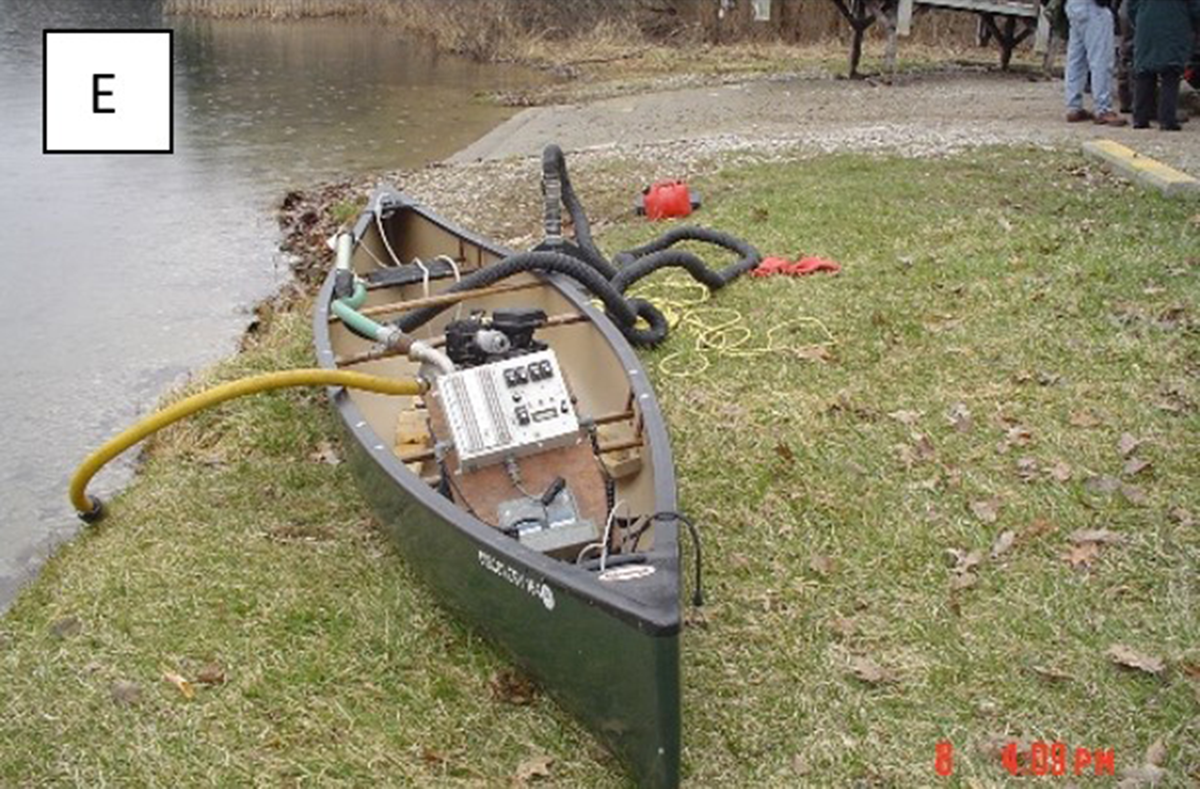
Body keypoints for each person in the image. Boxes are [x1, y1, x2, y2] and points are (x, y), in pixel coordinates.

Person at [1127, 0, 1200, 129]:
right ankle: (1167, 119)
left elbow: (1131, 7)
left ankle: (1140, 117)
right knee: (1171, 73)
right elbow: (1195, 9)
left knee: (1144, 72)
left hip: (1146, 26)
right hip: (1174, 27)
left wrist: (1139, 20)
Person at [1063, 0, 1128, 125]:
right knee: (1101, 60)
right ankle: (1103, 108)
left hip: (1073, 5)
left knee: (1076, 60)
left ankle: (1073, 106)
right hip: (1094, 7)